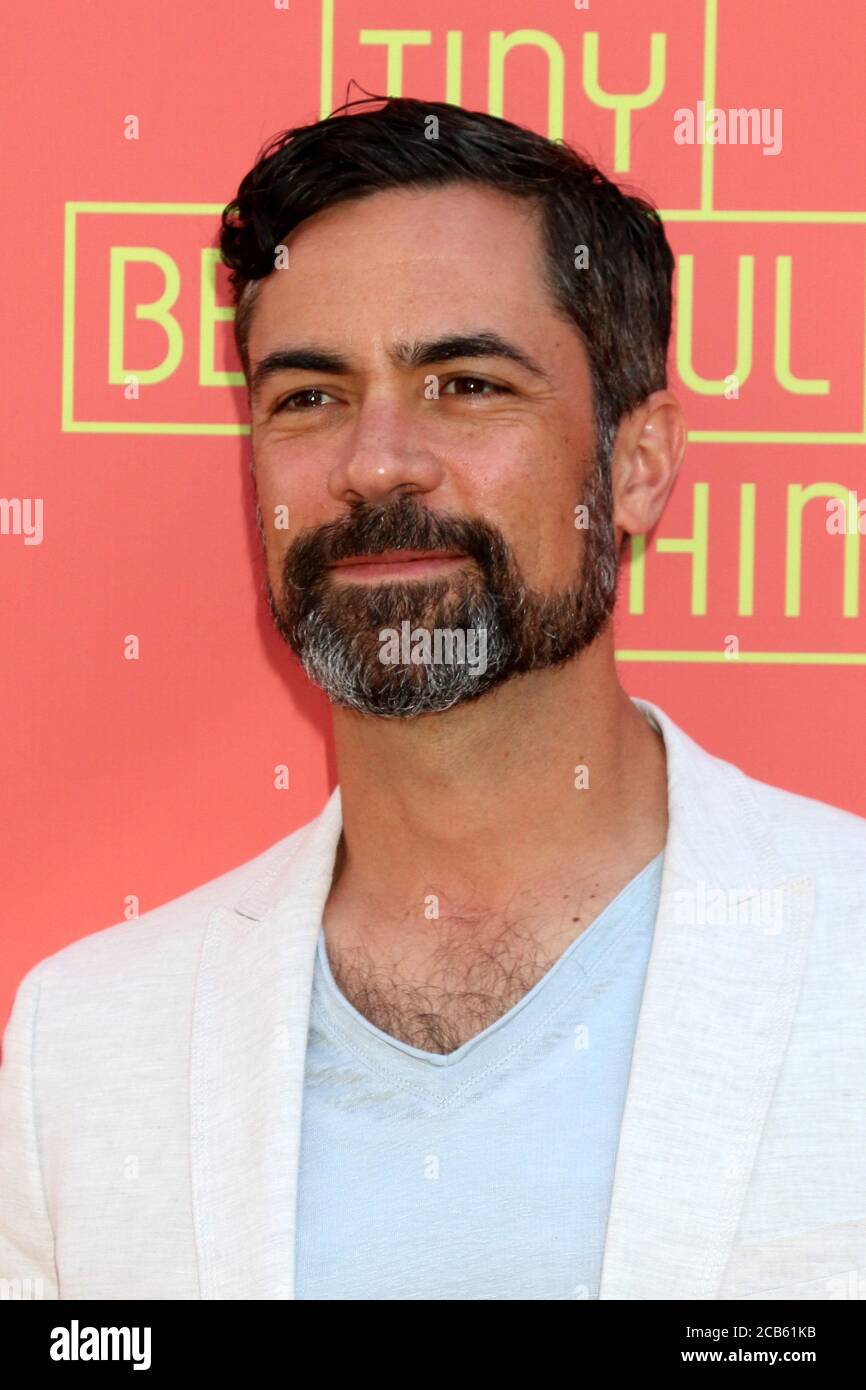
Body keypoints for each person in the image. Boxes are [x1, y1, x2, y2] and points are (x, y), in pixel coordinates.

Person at [2, 96, 865, 1302]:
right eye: (308, 396)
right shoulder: (84, 1049)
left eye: (463, 384)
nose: (375, 461)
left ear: (636, 463)